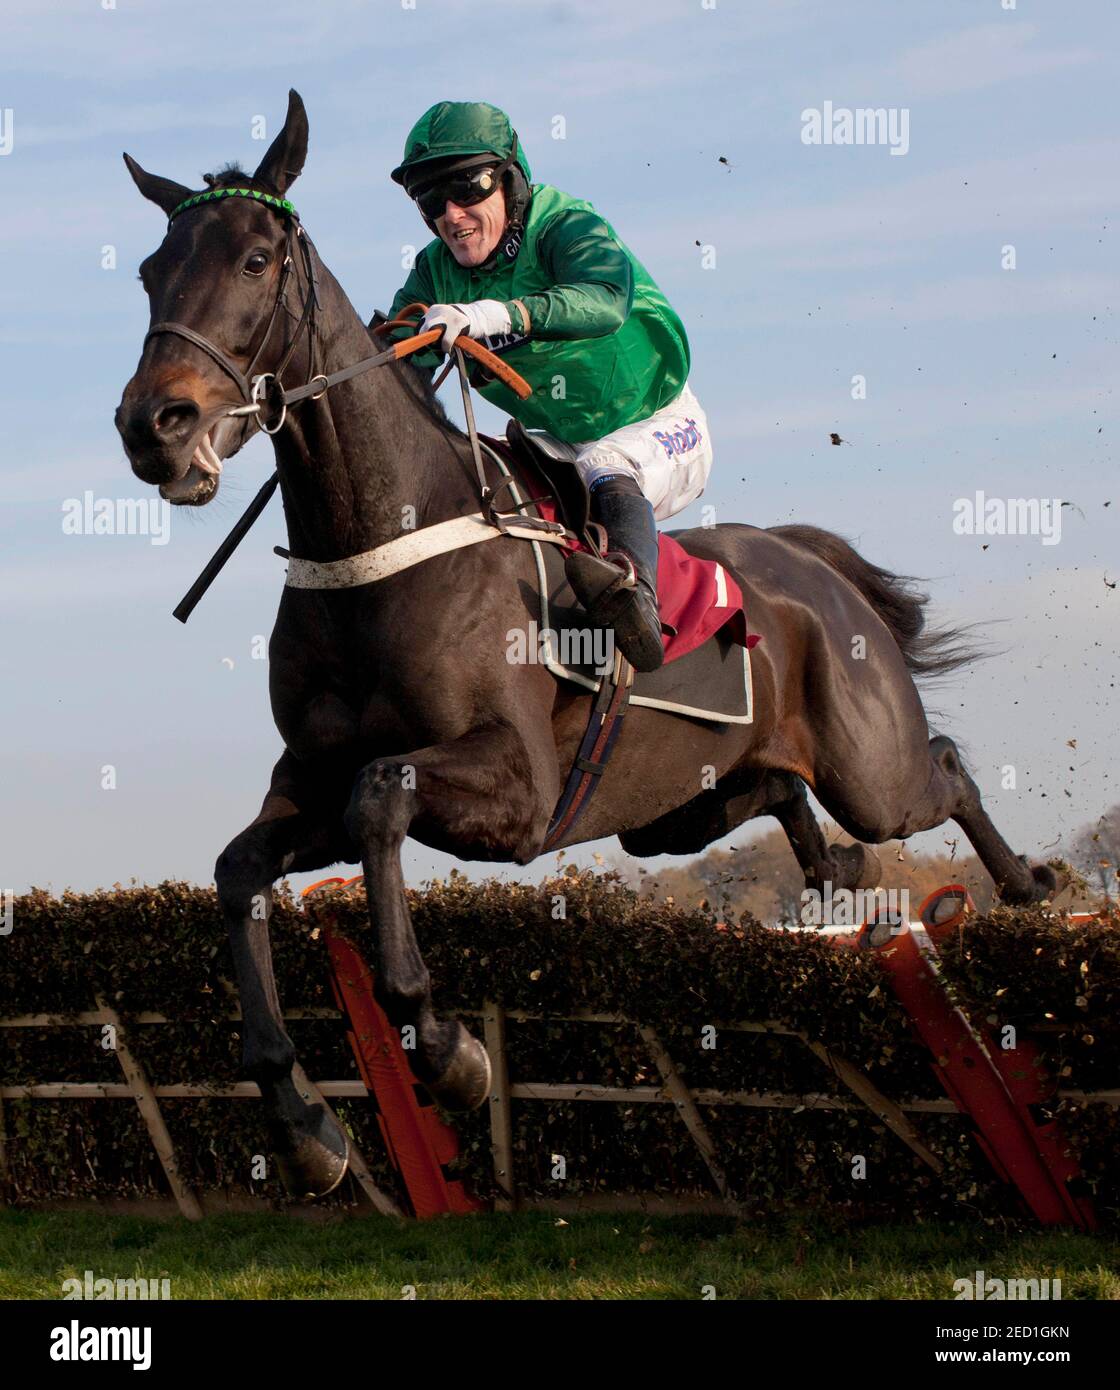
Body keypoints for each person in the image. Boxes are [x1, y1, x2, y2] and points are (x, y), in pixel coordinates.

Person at [386, 101, 713, 672]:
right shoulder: (433, 269)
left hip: (656, 423)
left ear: (510, 180)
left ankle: (636, 606)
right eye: (432, 201)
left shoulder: (566, 225)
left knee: (606, 461)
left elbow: (606, 300)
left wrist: (499, 314)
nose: (452, 215)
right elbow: (390, 358)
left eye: (468, 188)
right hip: (552, 440)